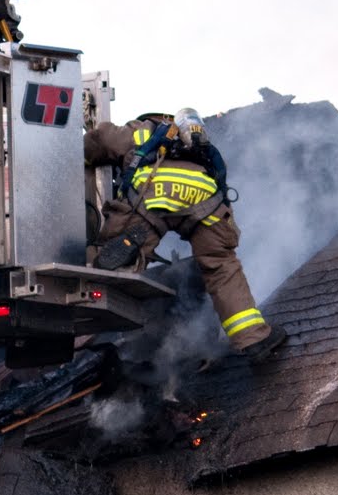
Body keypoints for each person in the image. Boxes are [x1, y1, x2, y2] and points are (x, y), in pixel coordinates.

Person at [84, 109, 287, 362]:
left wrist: (79, 158)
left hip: (151, 196)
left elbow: (100, 141)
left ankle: (111, 306)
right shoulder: (202, 149)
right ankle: (254, 339)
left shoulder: (142, 130)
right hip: (204, 199)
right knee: (221, 266)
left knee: (121, 259)